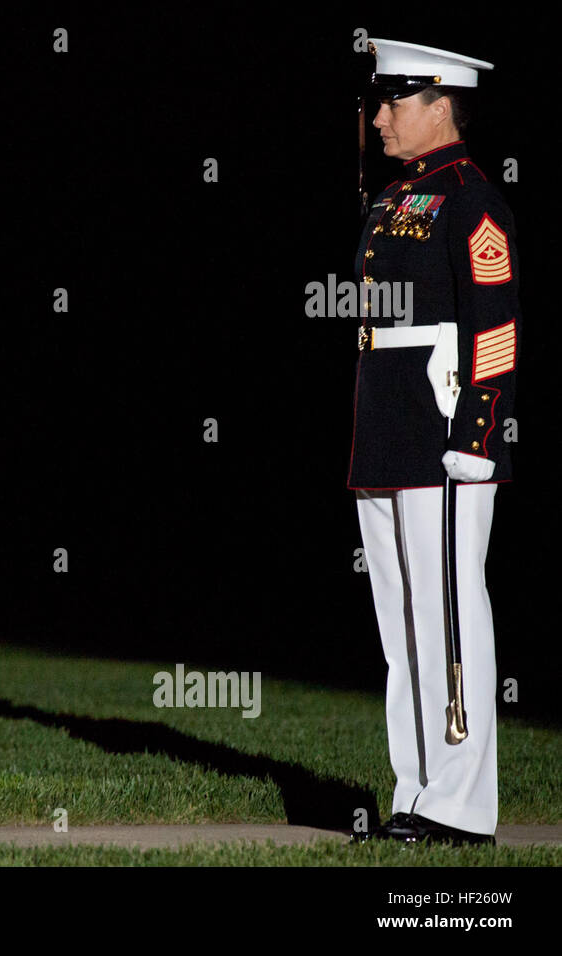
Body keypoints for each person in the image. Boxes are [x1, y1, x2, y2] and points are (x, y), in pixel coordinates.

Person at [348, 39, 518, 846]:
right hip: (388, 426)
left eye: (395, 101)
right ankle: (417, 794)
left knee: (450, 617)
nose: (379, 116)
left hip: (444, 426)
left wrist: (478, 432)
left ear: (442, 101)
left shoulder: (472, 198)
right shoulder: (399, 196)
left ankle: (461, 806)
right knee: (403, 628)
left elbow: (496, 325)